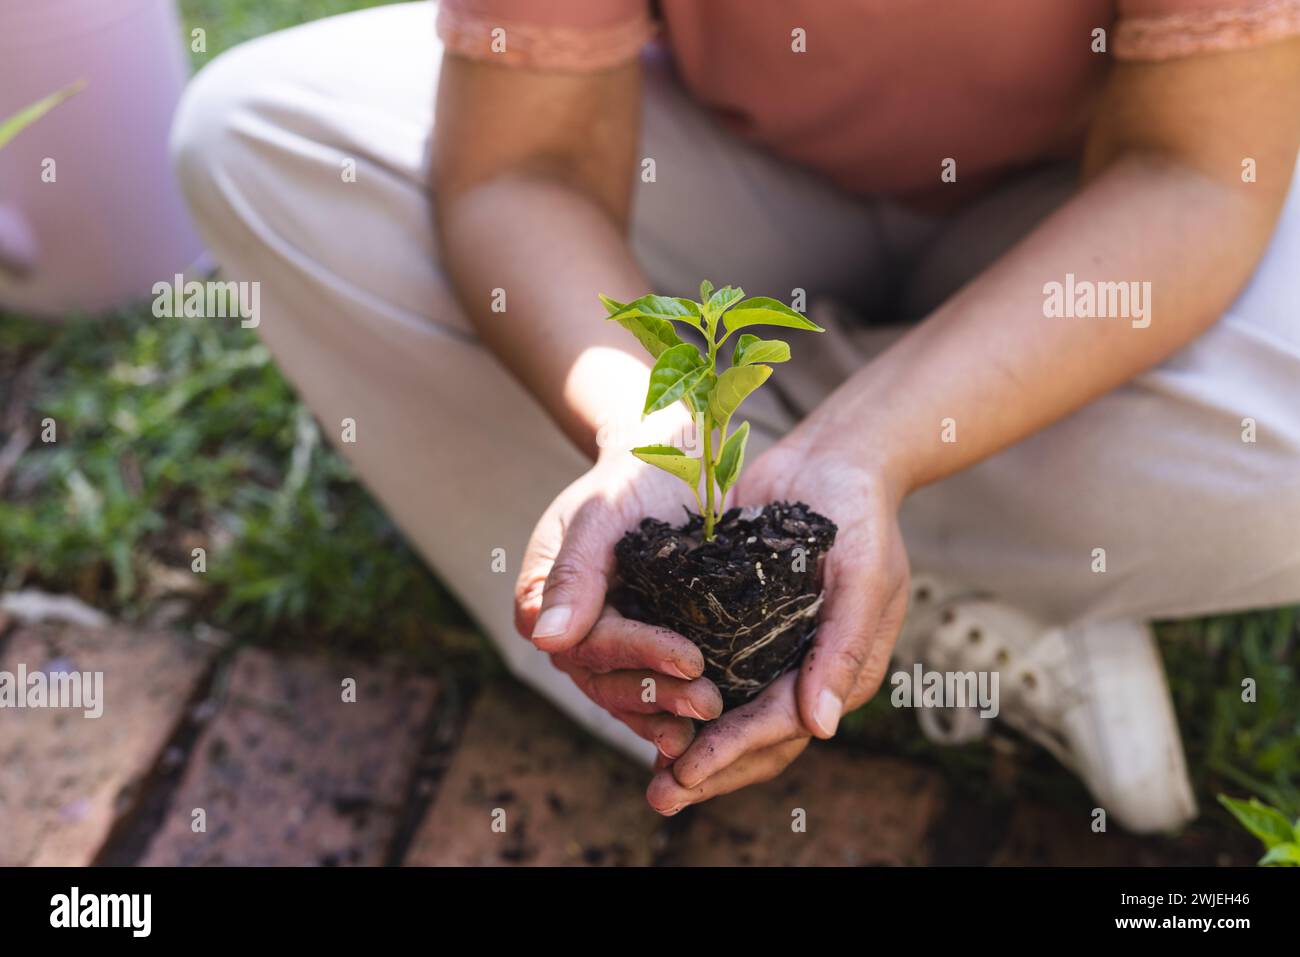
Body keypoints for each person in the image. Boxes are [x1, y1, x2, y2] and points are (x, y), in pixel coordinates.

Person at [170, 0, 1300, 832]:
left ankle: (836, 530)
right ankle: (843, 552)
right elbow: (524, 163)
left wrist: (878, 446)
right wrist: (649, 432)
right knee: (261, 137)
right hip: (725, 177)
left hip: (1085, 211)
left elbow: (1191, 173)